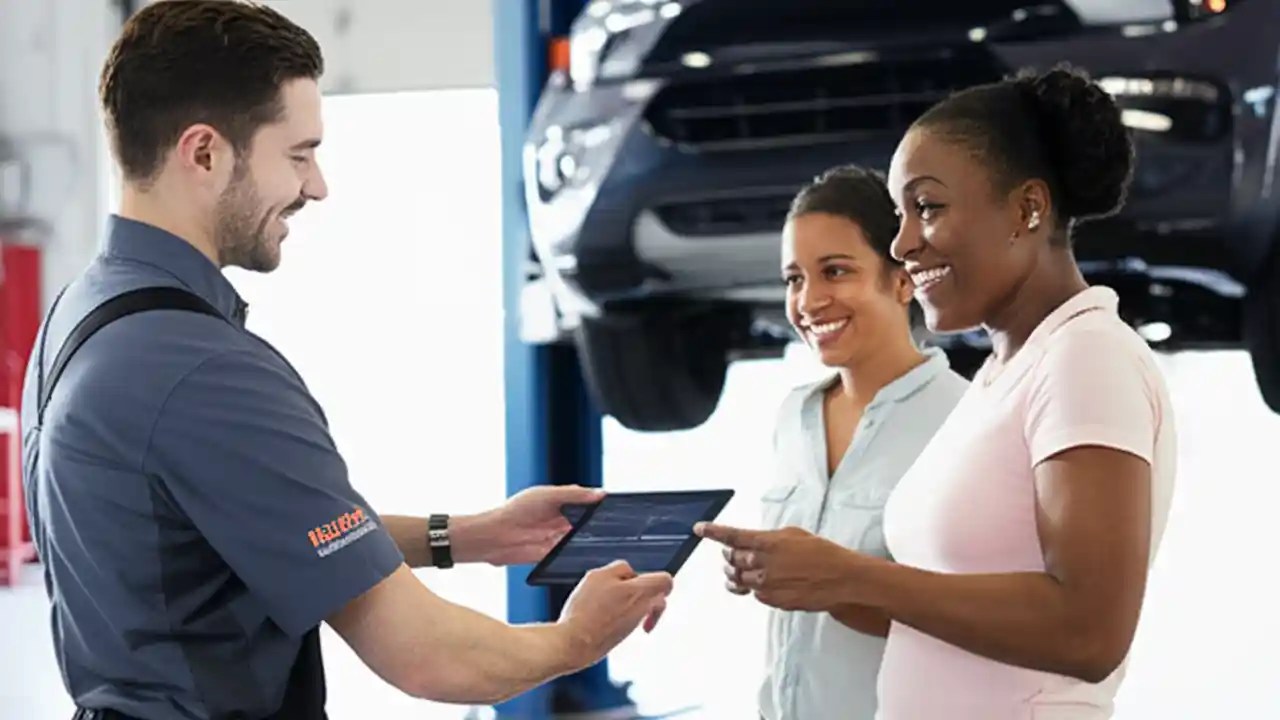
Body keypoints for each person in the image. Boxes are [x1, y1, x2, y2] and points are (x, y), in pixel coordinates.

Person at [20, 2, 672, 719]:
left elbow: (245, 530)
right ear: (203, 153)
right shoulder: (204, 372)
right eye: (298, 154)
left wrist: (469, 536)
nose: (317, 185)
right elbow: (431, 656)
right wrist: (578, 639)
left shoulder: (81, 318)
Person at [699, 65, 1176, 720]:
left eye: (927, 207)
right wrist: (809, 576)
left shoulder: (1085, 359)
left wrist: (852, 575)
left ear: (1027, 209)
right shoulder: (1003, 375)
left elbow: (1088, 631)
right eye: (900, 214)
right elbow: (933, 609)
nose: (902, 243)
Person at [751, 166, 968, 720]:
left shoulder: (965, 421)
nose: (810, 300)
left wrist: (836, 585)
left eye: (836, 271)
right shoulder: (793, 417)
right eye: (794, 279)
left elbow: (979, 624)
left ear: (902, 281)